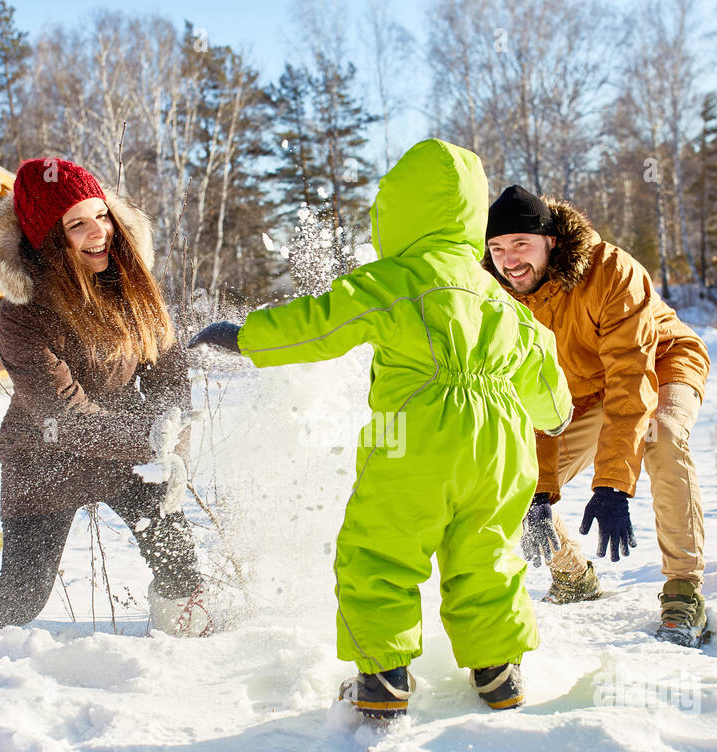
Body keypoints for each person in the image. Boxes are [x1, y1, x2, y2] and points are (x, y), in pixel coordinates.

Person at [191, 140, 572, 717]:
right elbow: (548, 388)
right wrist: (556, 416)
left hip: (414, 440)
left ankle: (385, 677)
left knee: (380, 550)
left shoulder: (397, 279)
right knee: (488, 554)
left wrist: (246, 338)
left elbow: (323, 321)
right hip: (501, 452)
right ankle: (498, 672)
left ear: (400, 211)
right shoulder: (501, 299)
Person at [0, 158, 208, 656]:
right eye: (77, 224)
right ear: (50, 241)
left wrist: (172, 437)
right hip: (44, 460)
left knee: (179, 563)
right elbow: (64, 416)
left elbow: (168, 376)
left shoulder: (135, 290)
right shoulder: (22, 316)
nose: (100, 233)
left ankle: (186, 648)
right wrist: (150, 437)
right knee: (20, 601)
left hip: (129, 452)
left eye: (102, 215)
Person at [483, 186, 713, 646]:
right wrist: (539, 492)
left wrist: (611, 483)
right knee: (509, 476)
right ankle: (573, 576)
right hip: (579, 390)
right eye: (498, 249)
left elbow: (631, 378)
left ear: (550, 240)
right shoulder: (497, 295)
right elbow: (528, 394)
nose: (510, 260)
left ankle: (684, 592)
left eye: (521, 244)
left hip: (659, 363)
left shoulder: (611, 271)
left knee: (662, 436)